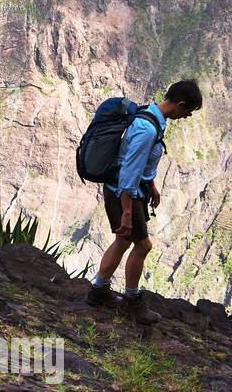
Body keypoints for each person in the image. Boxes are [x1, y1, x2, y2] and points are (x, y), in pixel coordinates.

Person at [86, 79, 204, 324]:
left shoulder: (149, 116)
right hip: (126, 194)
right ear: (180, 105)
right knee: (142, 246)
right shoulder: (148, 129)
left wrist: (151, 184)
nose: (186, 117)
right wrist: (128, 212)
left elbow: (141, 162)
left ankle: (98, 292)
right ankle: (131, 302)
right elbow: (129, 171)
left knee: (122, 241)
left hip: (125, 191)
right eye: (188, 112)